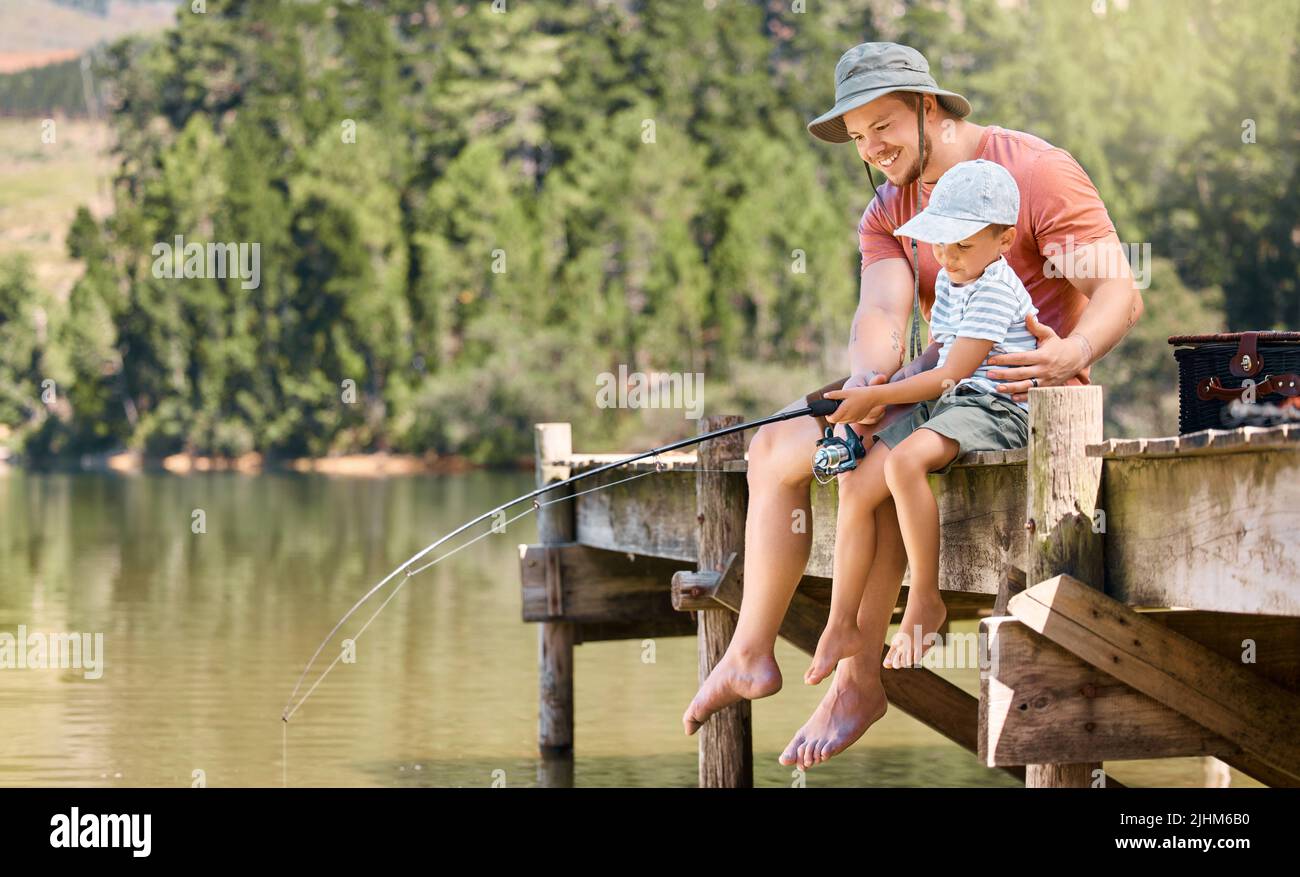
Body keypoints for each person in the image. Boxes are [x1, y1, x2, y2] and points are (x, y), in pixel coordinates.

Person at [681, 41, 1145, 771]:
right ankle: (748, 653)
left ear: (930, 106)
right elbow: (882, 314)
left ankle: (858, 679)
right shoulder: (888, 208)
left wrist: (1074, 350)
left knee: (888, 460)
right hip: (933, 387)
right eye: (857, 136)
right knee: (773, 447)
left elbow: (1120, 292)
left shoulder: (1033, 171)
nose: (871, 147)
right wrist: (868, 379)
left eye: (883, 125)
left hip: (1015, 409)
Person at [806, 158, 1038, 684]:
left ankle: (925, 601)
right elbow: (937, 354)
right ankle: (841, 621)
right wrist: (871, 396)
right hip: (956, 402)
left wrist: (886, 394)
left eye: (963, 245)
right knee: (857, 482)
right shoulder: (958, 281)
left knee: (905, 463)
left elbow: (950, 375)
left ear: (1003, 241)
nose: (949, 258)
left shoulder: (996, 288)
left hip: (998, 406)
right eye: (941, 245)